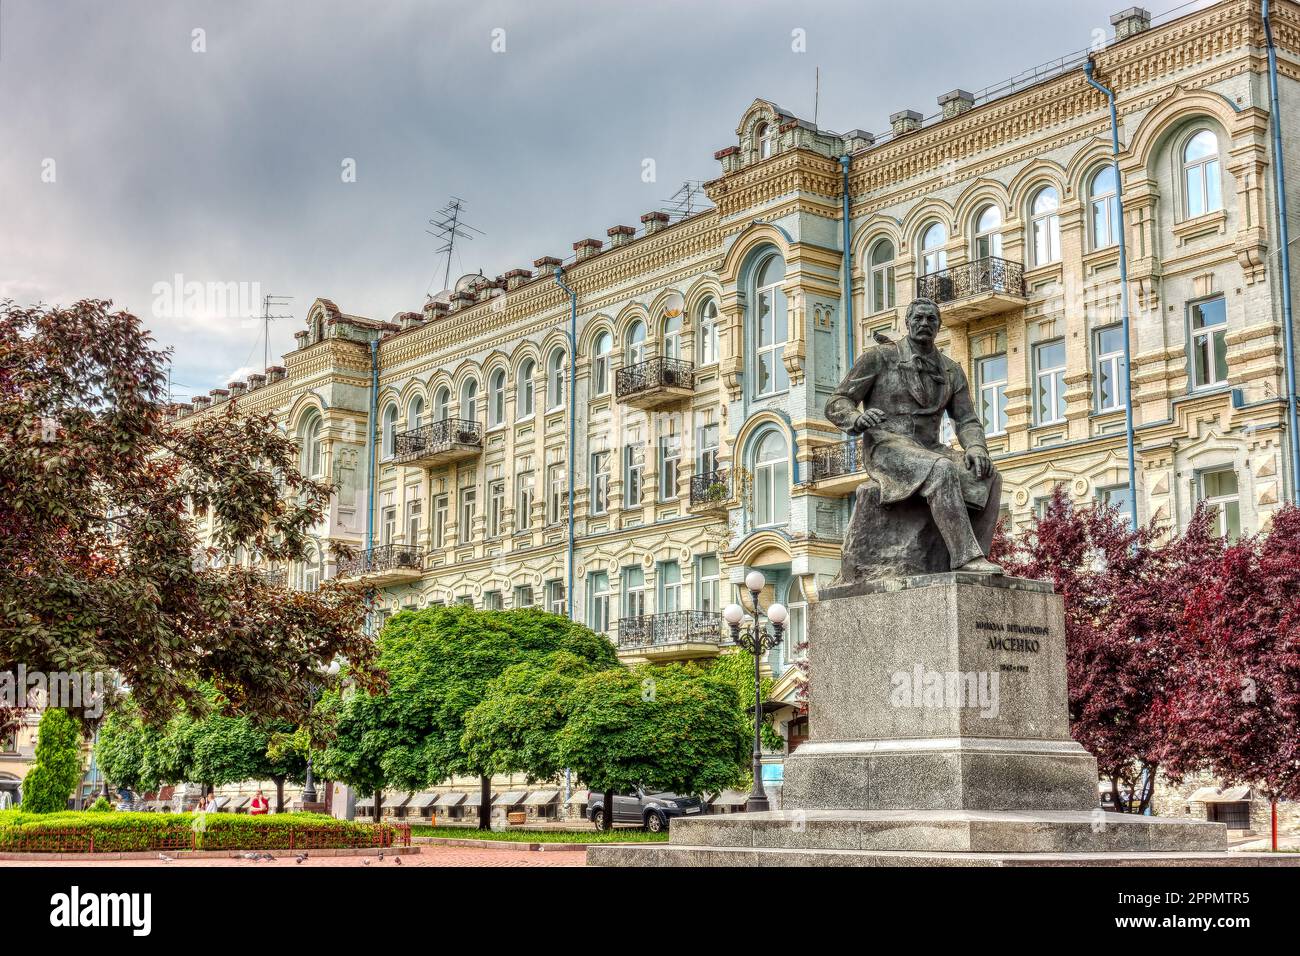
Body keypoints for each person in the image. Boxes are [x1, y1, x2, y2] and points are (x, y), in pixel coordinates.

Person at [825, 296, 1003, 576]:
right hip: (887, 447)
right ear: (906, 323)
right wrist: (857, 419)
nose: (924, 323)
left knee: (989, 475)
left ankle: (976, 559)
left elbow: (966, 419)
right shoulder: (879, 358)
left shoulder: (951, 370)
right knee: (941, 469)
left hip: (929, 447)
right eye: (918, 318)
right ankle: (964, 557)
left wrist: (977, 448)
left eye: (931, 319)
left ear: (939, 326)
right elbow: (837, 402)